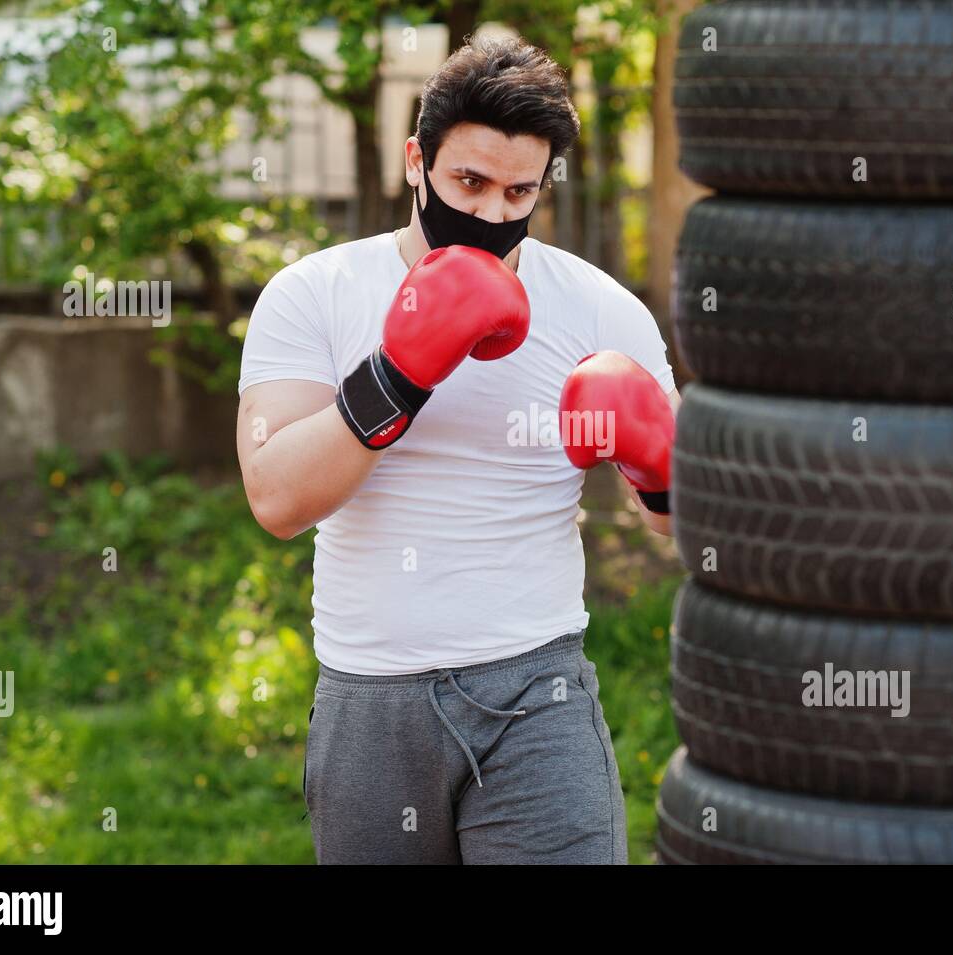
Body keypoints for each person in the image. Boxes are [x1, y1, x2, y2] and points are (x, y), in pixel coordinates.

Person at [235, 35, 679, 864]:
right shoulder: (314, 295)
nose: (491, 212)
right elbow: (275, 498)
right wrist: (399, 372)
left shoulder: (598, 310)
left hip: (536, 691)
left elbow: (691, 532)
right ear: (416, 160)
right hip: (370, 694)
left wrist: (662, 472)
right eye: (468, 181)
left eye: (519, 191)